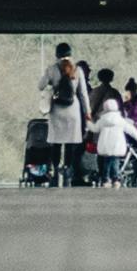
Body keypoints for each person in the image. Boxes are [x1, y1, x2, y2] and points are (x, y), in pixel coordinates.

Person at [43, 45, 85, 184]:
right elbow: (83, 94)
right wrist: (88, 112)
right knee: (70, 143)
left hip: (57, 110)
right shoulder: (77, 70)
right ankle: (67, 170)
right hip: (73, 110)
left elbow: (40, 86)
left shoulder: (52, 69)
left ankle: (55, 170)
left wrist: (50, 82)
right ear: (70, 54)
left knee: (56, 142)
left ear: (56, 54)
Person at [90, 75, 135, 188]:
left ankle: (103, 176)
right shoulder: (114, 93)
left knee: (101, 151)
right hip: (114, 128)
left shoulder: (95, 92)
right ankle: (113, 177)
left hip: (98, 124)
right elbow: (121, 109)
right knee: (114, 154)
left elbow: (89, 107)